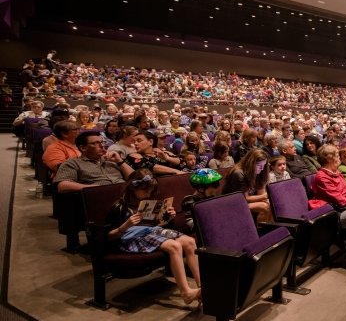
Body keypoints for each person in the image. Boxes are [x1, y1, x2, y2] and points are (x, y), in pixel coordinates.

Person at [106, 169, 201, 306]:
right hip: (132, 238)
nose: (148, 194)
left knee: (190, 242)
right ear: (133, 187)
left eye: (150, 191)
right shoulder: (120, 207)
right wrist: (125, 226)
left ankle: (201, 286)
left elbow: (159, 224)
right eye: (146, 191)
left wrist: (168, 217)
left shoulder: (149, 203)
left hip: (152, 231)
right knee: (175, 246)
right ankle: (186, 292)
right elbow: (109, 236)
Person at [53, 131, 133, 193]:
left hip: (125, 194)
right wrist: (95, 188)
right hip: (100, 197)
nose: (102, 146)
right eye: (95, 143)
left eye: (102, 142)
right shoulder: (73, 163)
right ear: (83, 148)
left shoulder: (112, 160)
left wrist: (120, 161)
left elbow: (135, 178)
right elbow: (62, 186)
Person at [222, 148, 272, 222]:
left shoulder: (259, 172)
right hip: (233, 203)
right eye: (258, 165)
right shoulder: (238, 173)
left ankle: (265, 229)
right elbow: (244, 198)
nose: (261, 168)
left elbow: (261, 194)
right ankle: (257, 230)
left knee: (272, 205)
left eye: (263, 165)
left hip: (247, 202)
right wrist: (266, 195)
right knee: (264, 207)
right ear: (251, 163)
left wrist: (265, 197)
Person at [182, 168, 223, 232]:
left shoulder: (212, 196)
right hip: (203, 231)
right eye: (215, 185)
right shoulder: (189, 200)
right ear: (201, 189)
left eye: (217, 184)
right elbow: (191, 224)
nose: (217, 189)